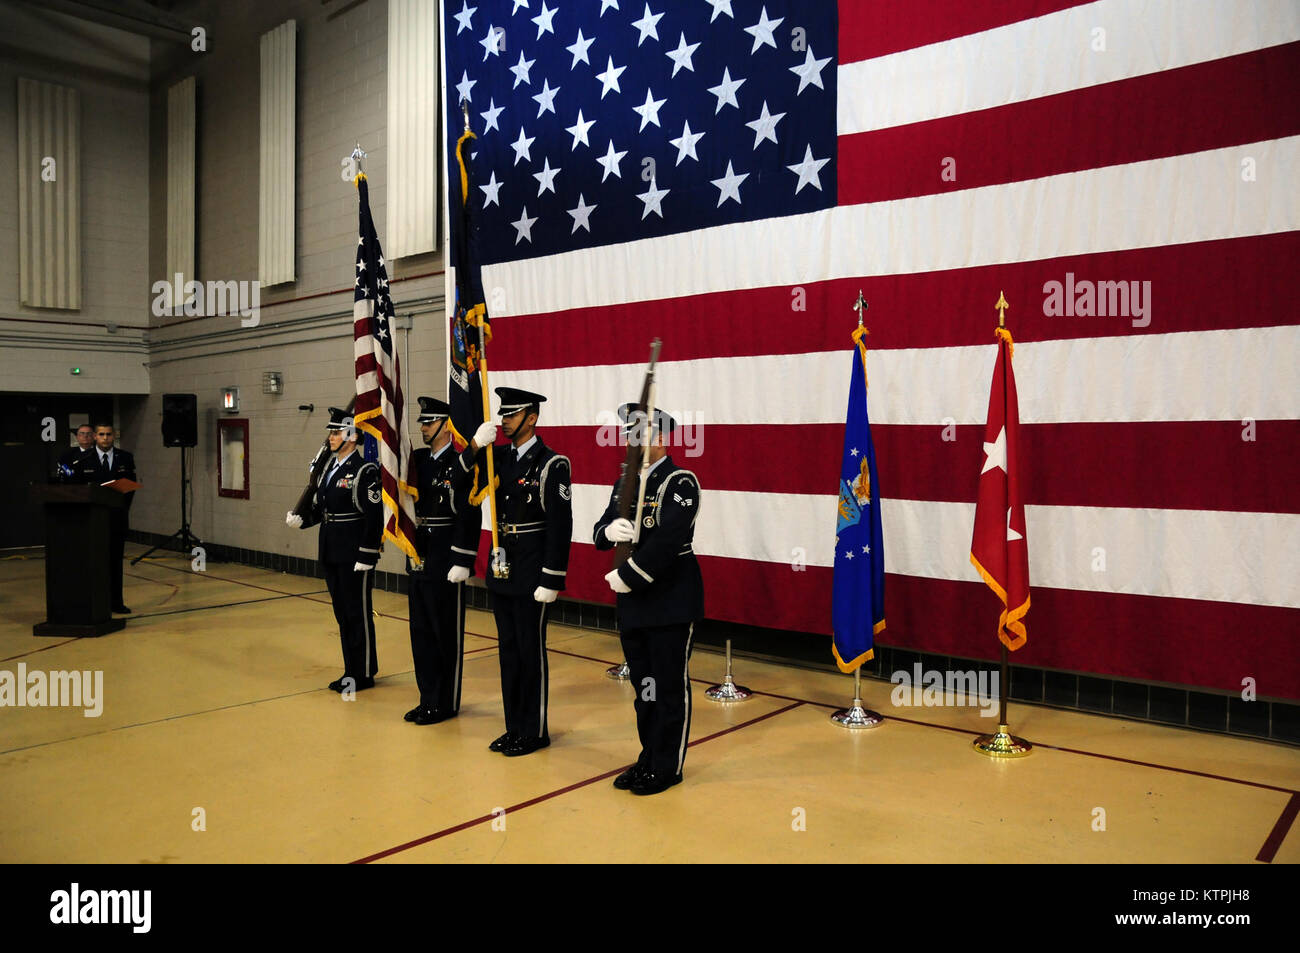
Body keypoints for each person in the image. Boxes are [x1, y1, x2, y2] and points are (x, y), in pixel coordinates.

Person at [593, 405, 703, 796]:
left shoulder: (680, 482)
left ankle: (667, 766)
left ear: (661, 438)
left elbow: (668, 542)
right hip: (634, 604)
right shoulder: (625, 481)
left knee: (669, 687)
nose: (632, 443)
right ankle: (648, 756)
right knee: (646, 687)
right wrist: (609, 528)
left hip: (669, 600)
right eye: (628, 435)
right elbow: (599, 531)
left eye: (640, 435)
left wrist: (627, 575)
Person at [460, 387, 572, 757]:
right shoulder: (497, 458)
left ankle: (535, 729)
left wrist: (552, 577)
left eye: (513, 414)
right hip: (502, 564)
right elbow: (460, 480)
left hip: (532, 570)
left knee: (529, 650)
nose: (504, 420)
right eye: (504, 414)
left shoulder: (552, 463)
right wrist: (475, 447)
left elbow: (560, 525)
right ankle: (514, 727)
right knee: (507, 651)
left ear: (532, 418)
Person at [285, 408, 383, 693]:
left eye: (337, 432)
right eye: (331, 431)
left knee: (357, 613)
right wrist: (304, 520)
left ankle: (363, 672)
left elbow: (373, 516)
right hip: (331, 550)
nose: (331, 437)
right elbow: (325, 509)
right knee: (342, 613)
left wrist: (367, 554)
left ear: (351, 436)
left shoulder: (365, 471)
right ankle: (351, 669)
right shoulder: (331, 468)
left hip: (354, 554)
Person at [404, 396, 481, 725]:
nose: (423, 427)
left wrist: (463, 557)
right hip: (420, 553)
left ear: (445, 425)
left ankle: (445, 702)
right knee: (421, 633)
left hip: (446, 556)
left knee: (444, 633)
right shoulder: (419, 461)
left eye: (429, 422)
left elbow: (468, 512)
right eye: (422, 422)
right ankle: (426, 698)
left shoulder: (461, 463)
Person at [74, 422, 137, 614]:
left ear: (114, 436)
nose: (105, 438)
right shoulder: (83, 460)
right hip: (92, 521)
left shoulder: (125, 457)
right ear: (94, 436)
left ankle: (116, 602)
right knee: (93, 564)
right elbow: (78, 490)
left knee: (115, 563)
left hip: (116, 518)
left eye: (109, 434)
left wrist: (118, 505)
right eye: (101, 434)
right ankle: (92, 603)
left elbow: (130, 488)